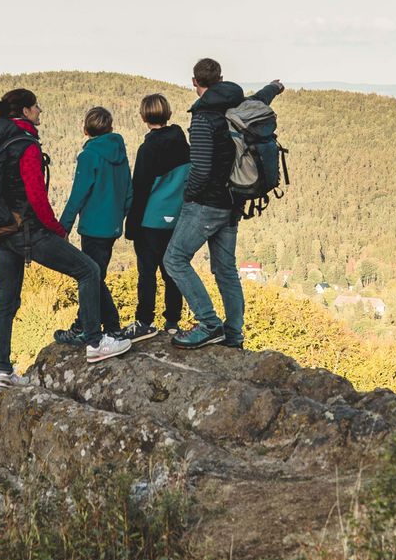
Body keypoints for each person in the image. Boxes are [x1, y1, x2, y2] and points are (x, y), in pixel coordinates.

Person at [0, 88, 129, 383]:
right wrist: (56, 228)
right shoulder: (26, 145)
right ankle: (95, 343)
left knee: (7, 301)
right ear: (24, 111)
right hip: (27, 231)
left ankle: (2, 371)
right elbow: (36, 195)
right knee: (88, 270)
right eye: (36, 107)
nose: (40, 111)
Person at [163, 58, 282, 349]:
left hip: (206, 203)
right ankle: (234, 333)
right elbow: (260, 99)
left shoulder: (203, 117)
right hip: (232, 203)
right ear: (220, 78)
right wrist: (274, 87)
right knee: (225, 269)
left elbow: (201, 169)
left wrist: (189, 196)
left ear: (195, 82)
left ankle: (208, 324)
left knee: (174, 259)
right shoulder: (236, 104)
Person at [121, 94, 189, 342]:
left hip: (150, 220)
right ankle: (172, 321)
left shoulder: (147, 149)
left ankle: (145, 321)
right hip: (177, 218)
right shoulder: (183, 144)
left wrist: (131, 225)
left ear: (143, 116)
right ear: (168, 113)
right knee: (171, 270)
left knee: (147, 272)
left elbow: (140, 188)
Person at [58, 106, 132, 276]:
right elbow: (129, 192)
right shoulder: (121, 155)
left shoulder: (88, 156)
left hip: (92, 228)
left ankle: (97, 304)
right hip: (112, 227)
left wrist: (63, 227)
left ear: (85, 130)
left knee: (91, 277)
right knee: (99, 274)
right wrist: (117, 217)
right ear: (111, 129)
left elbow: (77, 196)